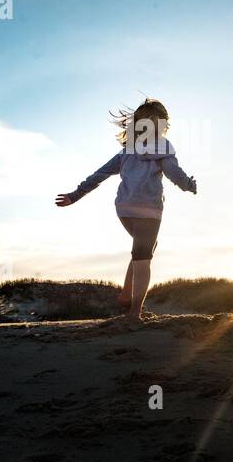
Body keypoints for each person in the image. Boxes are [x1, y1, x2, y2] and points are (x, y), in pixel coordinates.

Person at [55, 98, 197, 324]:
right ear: (162, 126)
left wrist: (75, 195)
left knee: (143, 248)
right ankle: (134, 312)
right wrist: (189, 185)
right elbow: (174, 174)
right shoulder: (163, 151)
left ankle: (125, 293)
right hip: (149, 210)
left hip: (124, 209)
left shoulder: (126, 153)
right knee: (143, 257)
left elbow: (98, 175)